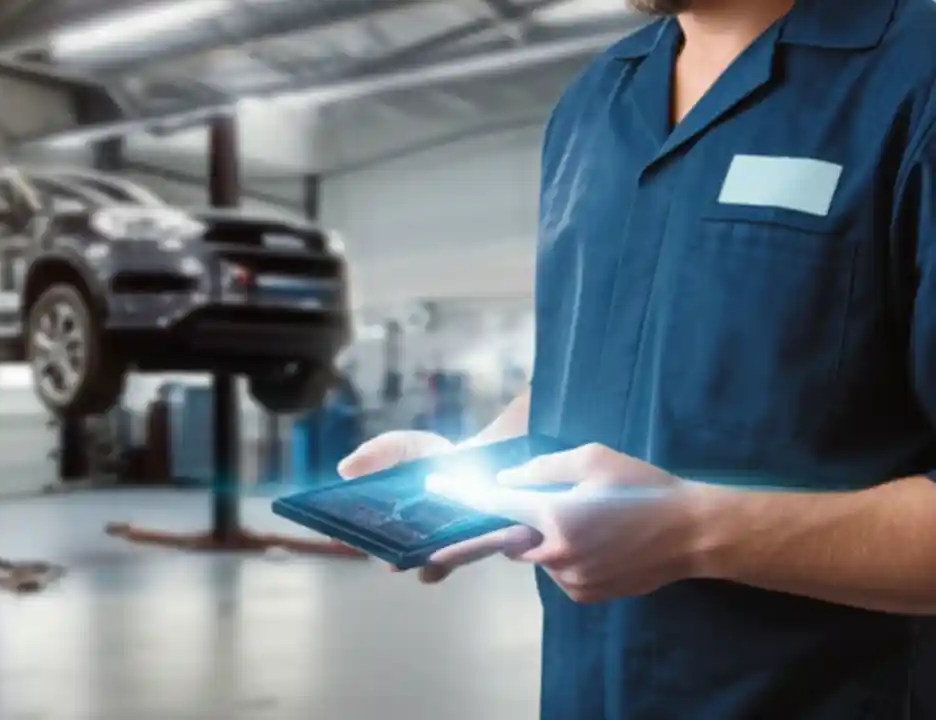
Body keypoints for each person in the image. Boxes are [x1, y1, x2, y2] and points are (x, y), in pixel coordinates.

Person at [339, 0, 936, 717]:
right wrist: (458, 472)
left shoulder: (915, 76)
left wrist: (694, 532)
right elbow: (588, 374)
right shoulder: (596, 100)